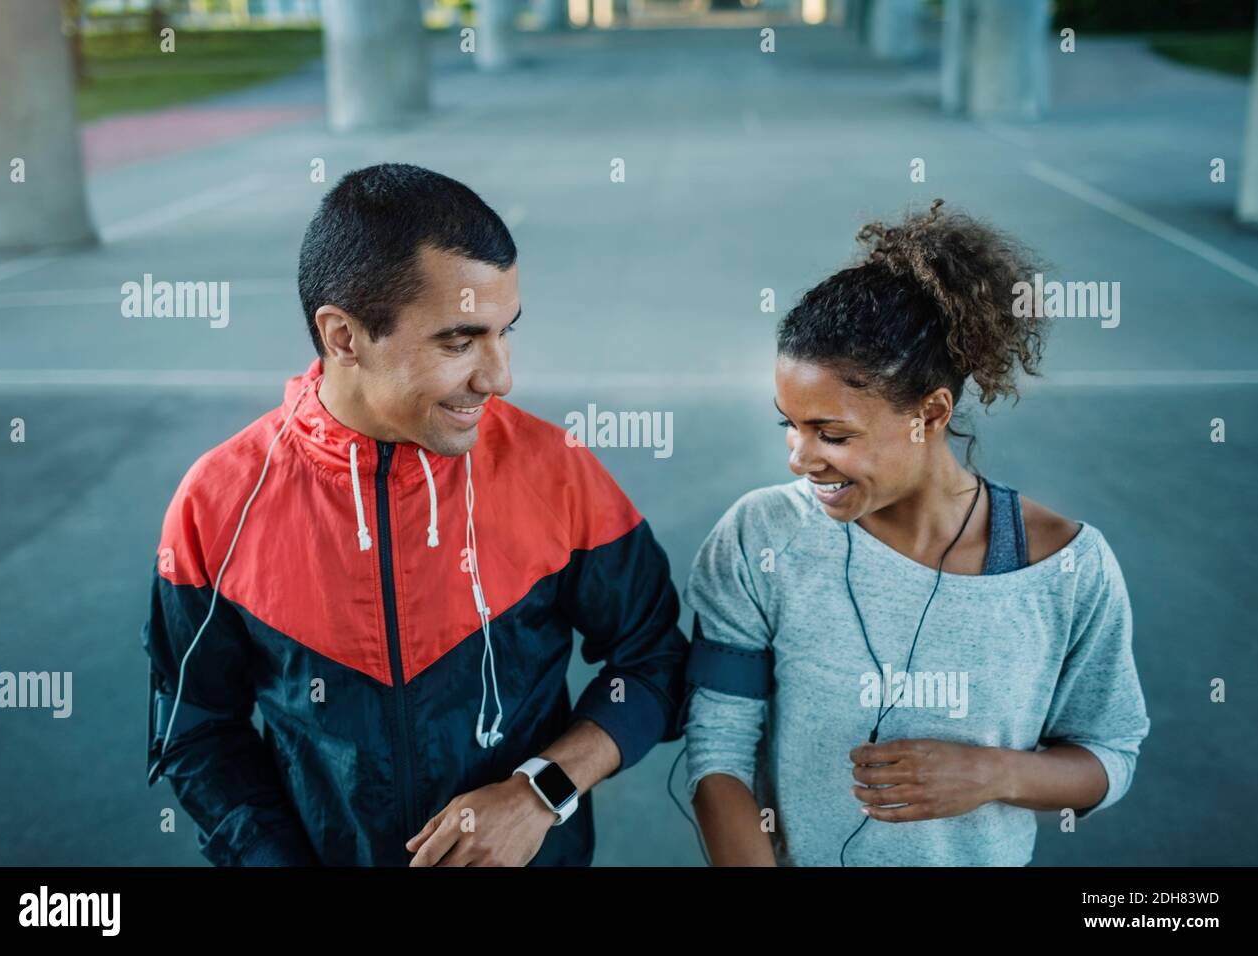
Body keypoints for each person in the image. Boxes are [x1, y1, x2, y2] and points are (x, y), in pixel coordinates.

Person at [142, 163, 688, 866]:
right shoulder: (217, 503)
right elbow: (196, 731)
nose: (499, 376)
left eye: (504, 332)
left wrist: (540, 790)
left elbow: (654, 662)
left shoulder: (558, 470)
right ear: (344, 337)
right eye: (459, 341)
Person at [681, 200, 1150, 866]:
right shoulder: (761, 538)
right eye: (788, 422)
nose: (800, 457)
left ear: (929, 415)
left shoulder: (1067, 567)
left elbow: (1110, 752)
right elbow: (718, 749)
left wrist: (996, 773)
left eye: (833, 434)